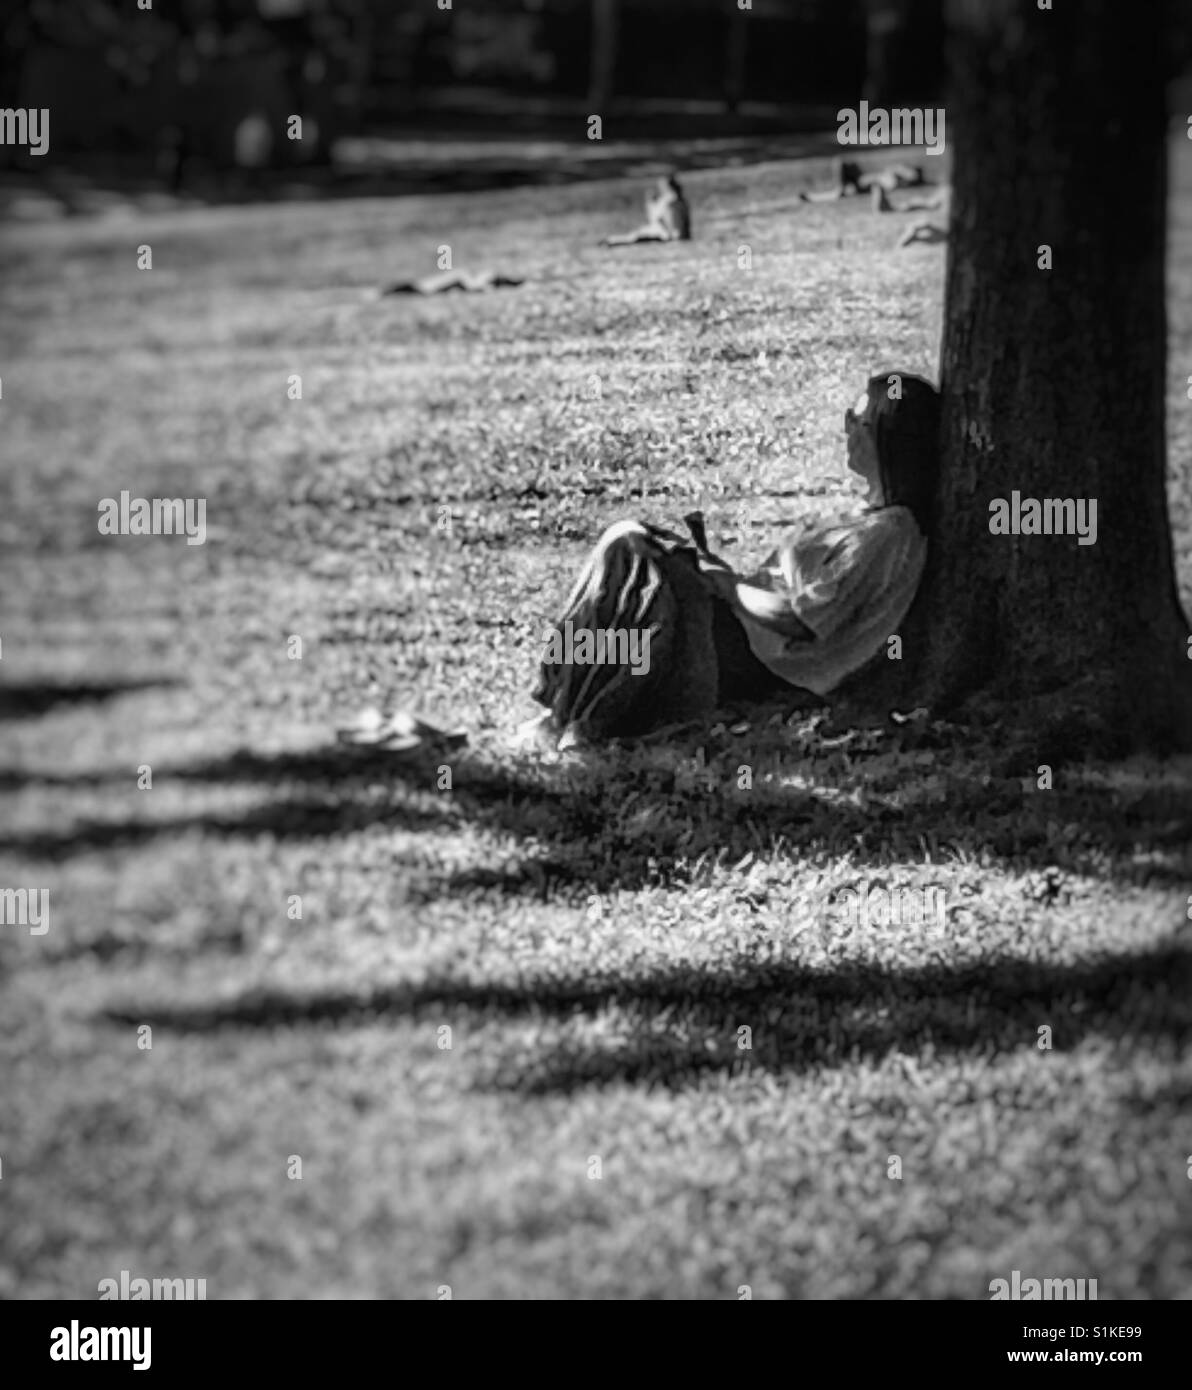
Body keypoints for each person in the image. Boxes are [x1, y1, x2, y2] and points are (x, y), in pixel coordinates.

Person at [529, 373, 941, 748]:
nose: (845, 428)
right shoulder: (867, 519)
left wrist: (726, 584)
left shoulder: (888, 535)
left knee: (632, 550)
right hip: (748, 634)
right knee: (631, 551)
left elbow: (802, 620)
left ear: (890, 441)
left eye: (858, 420)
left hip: (764, 662)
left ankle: (578, 715)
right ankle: (567, 706)